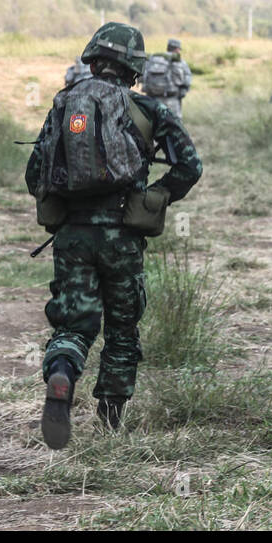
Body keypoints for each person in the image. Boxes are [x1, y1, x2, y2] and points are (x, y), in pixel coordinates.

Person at [26, 22, 203, 449]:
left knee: (74, 324)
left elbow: (35, 174)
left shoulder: (65, 106)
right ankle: (109, 424)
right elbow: (190, 166)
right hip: (123, 237)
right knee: (122, 328)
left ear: (91, 58)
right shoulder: (148, 110)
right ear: (133, 68)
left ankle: (62, 376)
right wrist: (155, 197)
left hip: (72, 237)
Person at [139, 39, 193, 117]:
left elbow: (141, 78)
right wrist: (182, 93)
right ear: (177, 49)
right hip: (172, 101)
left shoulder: (153, 59)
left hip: (151, 100)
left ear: (168, 47)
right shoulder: (179, 61)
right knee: (173, 126)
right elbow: (187, 81)